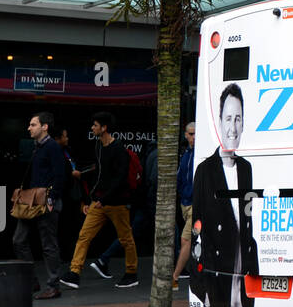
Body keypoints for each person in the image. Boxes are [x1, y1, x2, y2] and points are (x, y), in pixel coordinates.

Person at [191, 84, 258, 307]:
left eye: (238, 118)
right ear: (219, 121)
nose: (233, 127)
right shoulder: (205, 170)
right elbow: (197, 228)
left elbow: (248, 223)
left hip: (244, 279)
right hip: (217, 279)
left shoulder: (246, 168)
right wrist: (205, 285)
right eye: (228, 118)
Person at [59, 112, 139, 289]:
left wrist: (105, 198)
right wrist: (91, 199)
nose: (92, 128)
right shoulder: (98, 146)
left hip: (117, 203)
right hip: (99, 202)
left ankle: (131, 273)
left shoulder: (119, 149)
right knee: (84, 235)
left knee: (126, 239)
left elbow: (121, 179)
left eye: (95, 125)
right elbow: (99, 173)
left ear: (104, 128)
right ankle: (74, 273)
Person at [12, 112, 70, 300]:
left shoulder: (52, 147)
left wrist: (52, 199)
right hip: (33, 200)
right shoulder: (37, 147)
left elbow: (60, 175)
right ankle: (32, 281)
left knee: (48, 244)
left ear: (45, 127)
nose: (29, 128)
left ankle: (53, 285)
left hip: (46, 201)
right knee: (19, 240)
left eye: (33, 124)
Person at [90, 136, 156, 279]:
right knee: (128, 235)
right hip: (142, 201)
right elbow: (151, 179)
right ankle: (128, 270)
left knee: (127, 234)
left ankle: (104, 259)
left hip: (135, 200)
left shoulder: (147, 153)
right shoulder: (154, 155)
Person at [172, 122, 196, 288]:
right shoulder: (186, 153)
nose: (193, 137)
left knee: (185, 239)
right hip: (185, 202)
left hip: (194, 203)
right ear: (185, 135)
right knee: (190, 240)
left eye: (195, 134)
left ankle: (175, 277)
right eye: (190, 134)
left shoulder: (198, 153)